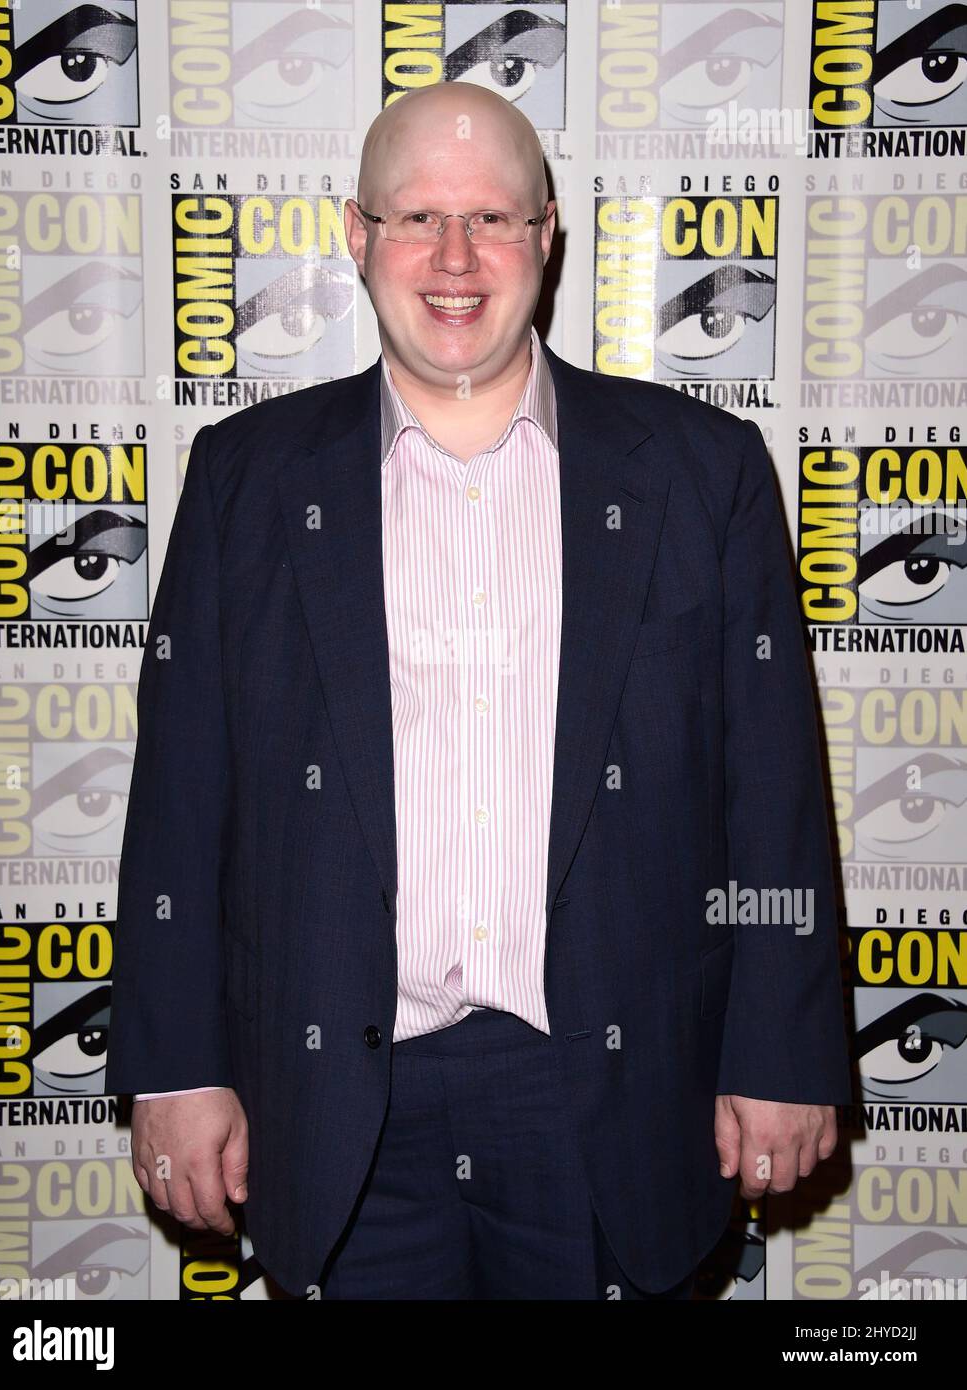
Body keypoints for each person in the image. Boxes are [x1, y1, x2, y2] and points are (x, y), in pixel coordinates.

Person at [106, 82, 851, 1301]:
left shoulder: (698, 471)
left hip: (607, 1090)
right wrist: (177, 1066)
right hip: (339, 1101)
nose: (454, 258)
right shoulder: (243, 477)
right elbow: (183, 801)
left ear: (546, 236)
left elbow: (767, 791)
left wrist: (778, 1046)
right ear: (357, 235)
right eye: (416, 218)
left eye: (493, 219)